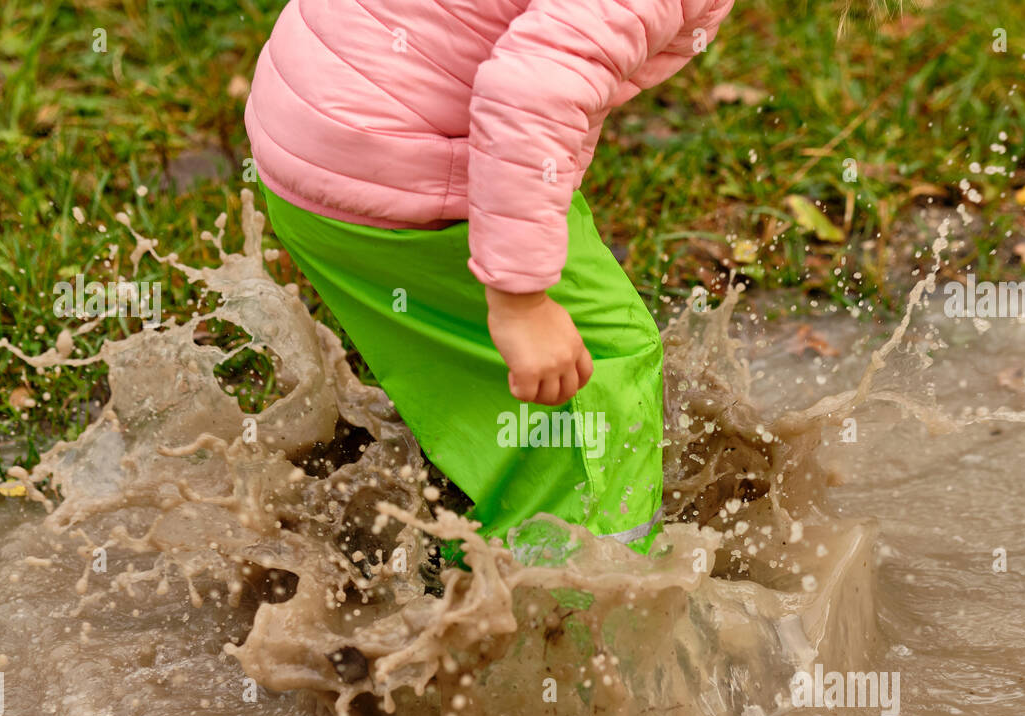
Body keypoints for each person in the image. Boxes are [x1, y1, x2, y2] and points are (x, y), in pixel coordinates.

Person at [245, 0, 735, 556]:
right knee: (602, 365)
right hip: (396, 160)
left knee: (495, 386)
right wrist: (521, 298)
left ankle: (444, 526)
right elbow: (534, 92)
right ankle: (578, 611)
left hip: (312, 123)